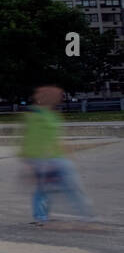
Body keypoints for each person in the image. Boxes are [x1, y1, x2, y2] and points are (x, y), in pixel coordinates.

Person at [21, 85, 94, 224]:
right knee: (44, 189)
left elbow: (57, 138)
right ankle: (41, 217)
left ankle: (85, 214)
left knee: (65, 187)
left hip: (56, 157)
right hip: (41, 159)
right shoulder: (35, 116)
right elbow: (30, 139)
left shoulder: (52, 115)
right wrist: (29, 161)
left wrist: (69, 155)